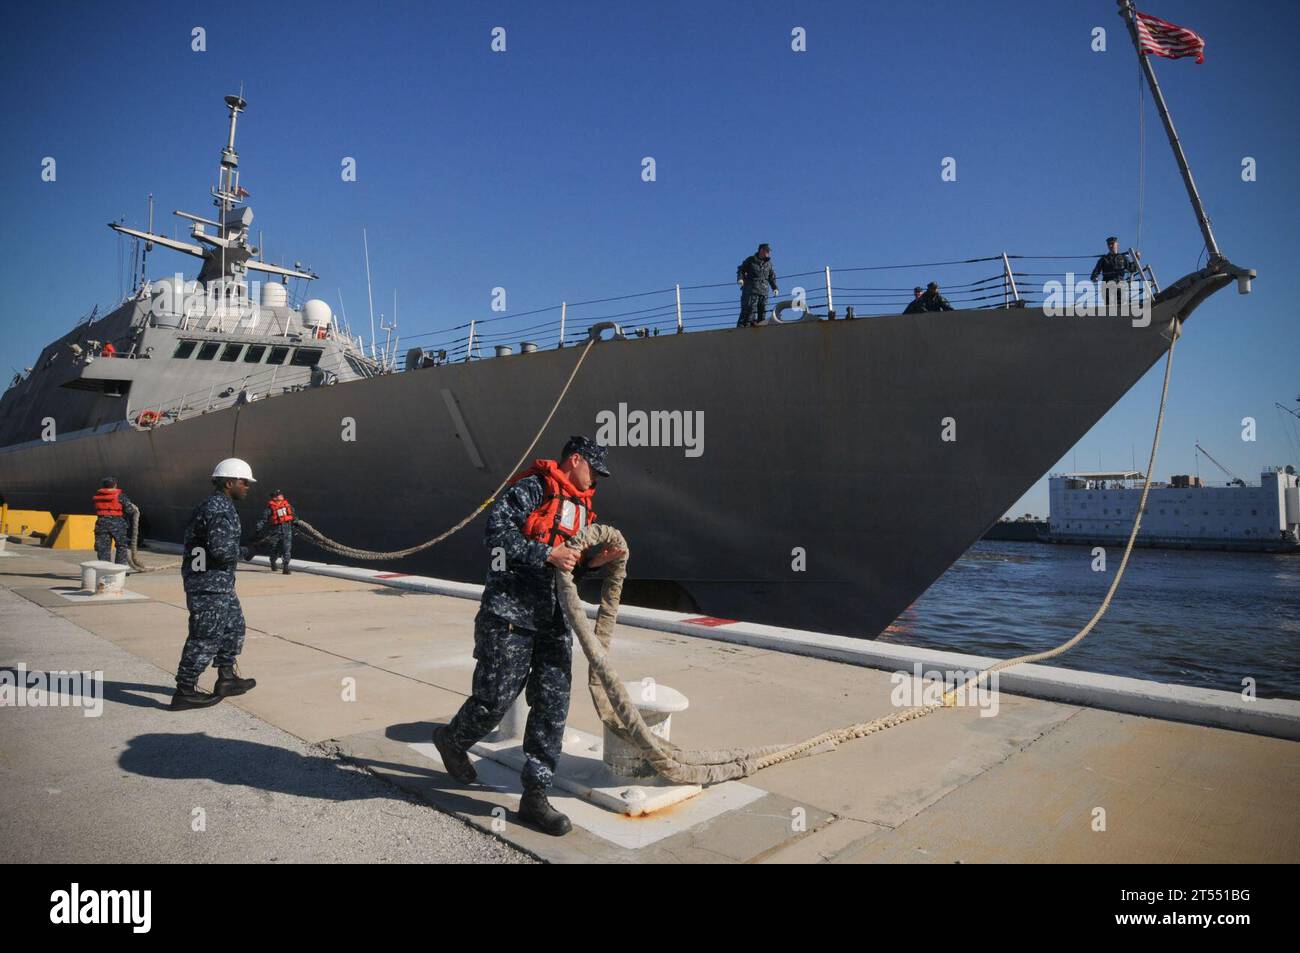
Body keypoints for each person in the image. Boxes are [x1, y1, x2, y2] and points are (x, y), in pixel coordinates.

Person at [433, 436, 625, 836]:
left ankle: (535, 797)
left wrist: (594, 563)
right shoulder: (533, 488)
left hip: (556, 620)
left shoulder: (583, 509)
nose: (597, 481)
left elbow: (569, 565)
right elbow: (495, 535)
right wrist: (545, 553)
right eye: (594, 469)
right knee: (494, 701)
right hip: (510, 614)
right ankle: (453, 739)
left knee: (552, 709)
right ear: (575, 460)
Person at [171, 458, 258, 711]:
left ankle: (227, 678)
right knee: (205, 636)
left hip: (218, 583)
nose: (247, 487)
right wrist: (247, 550)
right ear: (229, 482)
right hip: (208, 584)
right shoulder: (218, 508)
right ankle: (184, 690)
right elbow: (221, 551)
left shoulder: (219, 505)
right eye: (244, 482)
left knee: (233, 626)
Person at [736, 243, 779, 327]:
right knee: (750, 309)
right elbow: (741, 269)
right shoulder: (751, 260)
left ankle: (760, 325)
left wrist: (775, 288)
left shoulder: (768, 264)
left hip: (764, 291)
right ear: (761, 250)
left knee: (762, 310)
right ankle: (746, 326)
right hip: (752, 290)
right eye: (766, 251)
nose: (768, 253)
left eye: (768, 251)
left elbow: (771, 277)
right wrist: (740, 279)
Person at [92, 477, 132, 565]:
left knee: (103, 548)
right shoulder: (120, 496)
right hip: (117, 523)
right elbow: (129, 510)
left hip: (101, 523)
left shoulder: (98, 496)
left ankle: (105, 568)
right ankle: (120, 568)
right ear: (115, 485)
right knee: (121, 546)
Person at [254, 490, 295, 574]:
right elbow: (263, 519)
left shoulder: (287, 506)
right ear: (274, 497)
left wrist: (296, 523)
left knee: (286, 550)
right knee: (274, 550)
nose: (279, 496)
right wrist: (258, 528)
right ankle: (273, 561)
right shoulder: (269, 508)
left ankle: (285, 567)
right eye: (277, 495)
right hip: (275, 532)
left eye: (280, 495)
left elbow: (294, 516)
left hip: (287, 531)